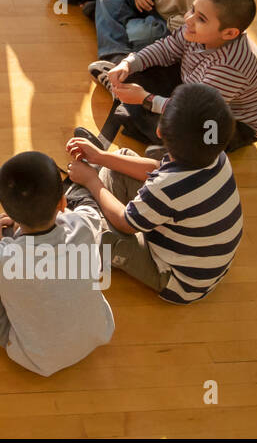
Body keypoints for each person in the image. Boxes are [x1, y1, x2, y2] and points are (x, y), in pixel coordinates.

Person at [0, 151, 114, 376]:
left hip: (37, 358)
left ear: (4, 206)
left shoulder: (4, 258)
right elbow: (88, 205)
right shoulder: (82, 224)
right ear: (62, 202)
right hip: (99, 331)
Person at [65, 83, 242, 304]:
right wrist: (101, 157)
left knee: (102, 236)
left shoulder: (169, 187)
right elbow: (156, 169)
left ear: (158, 131)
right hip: (196, 256)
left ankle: (82, 195)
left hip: (179, 280)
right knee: (121, 159)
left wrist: (91, 180)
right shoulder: (213, 154)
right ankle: (88, 188)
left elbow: (124, 223)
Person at [94, 0, 257, 152]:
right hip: (196, 88)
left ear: (229, 33)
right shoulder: (195, 30)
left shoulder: (230, 68)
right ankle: (125, 96)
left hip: (231, 122)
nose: (188, 19)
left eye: (201, 19)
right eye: (192, 9)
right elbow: (165, 49)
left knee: (183, 131)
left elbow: (193, 110)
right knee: (141, 67)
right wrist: (128, 64)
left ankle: (170, 149)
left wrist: (145, 98)